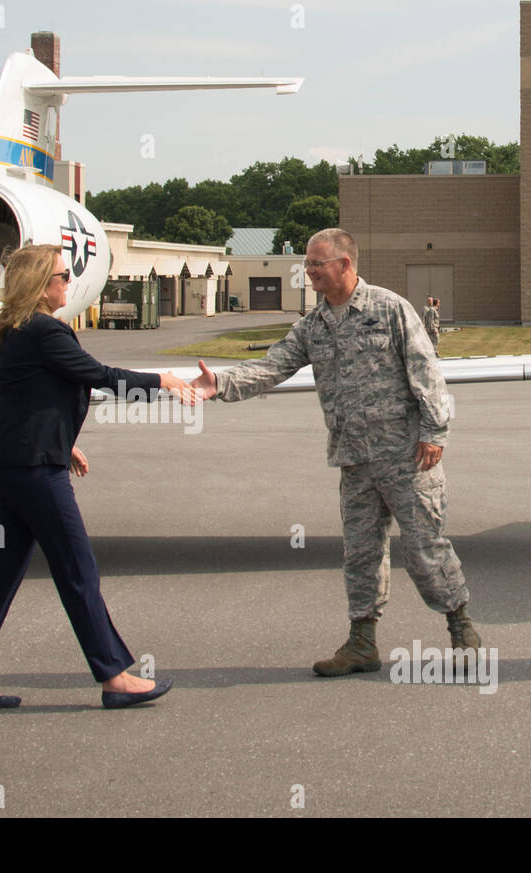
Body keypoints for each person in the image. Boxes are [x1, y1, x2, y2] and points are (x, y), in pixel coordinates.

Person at [191, 228, 478, 676]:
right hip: (354, 460)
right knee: (360, 553)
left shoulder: (390, 309)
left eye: (315, 264)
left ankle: (462, 632)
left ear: (344, 264)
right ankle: (362, 642)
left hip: (407, 457)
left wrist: (434, 433)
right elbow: (273, 365)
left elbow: (427, 373)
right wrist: (220, 384)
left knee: (425, 550)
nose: (308, 272)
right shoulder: (313, 325)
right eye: (307, 264)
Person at [0, 243, 196, 708]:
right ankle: (114, 677)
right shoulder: (42, 331)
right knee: (76, 568)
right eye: (62, 275)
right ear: (40, 286)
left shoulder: (8, 330)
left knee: (1, 573)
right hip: (34, 472)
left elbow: (25, 400)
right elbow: (97, 375)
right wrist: (163, 380)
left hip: (12, 464)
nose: (69, 282)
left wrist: (64, 443)